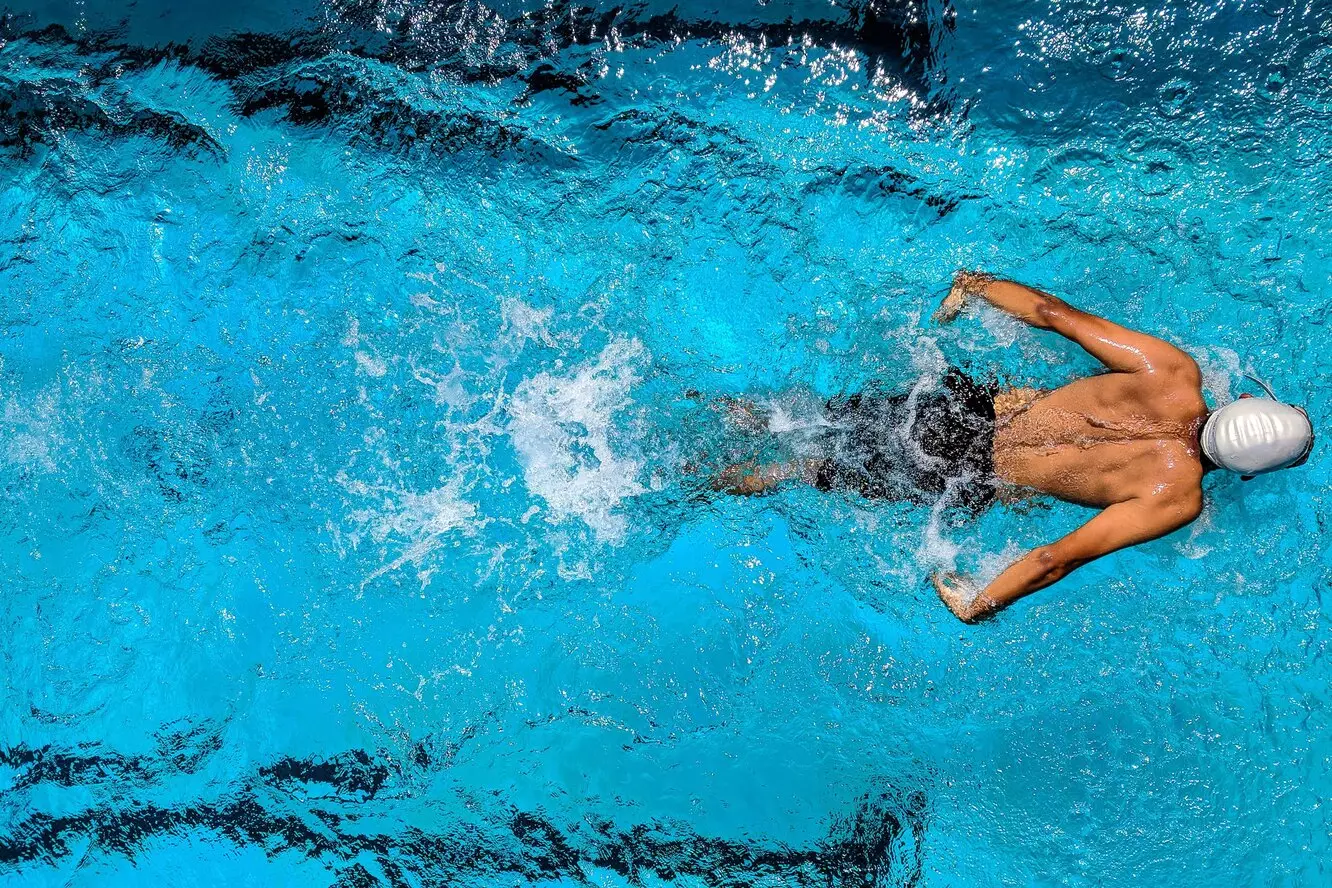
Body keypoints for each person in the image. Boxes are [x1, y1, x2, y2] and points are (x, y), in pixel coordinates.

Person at [715, 272, 1314, 623]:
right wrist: (980, 602)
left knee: (800, 419)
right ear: (1248, 473)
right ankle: (695, 478)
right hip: (963, 474)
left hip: (961, 407)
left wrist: (976, 287)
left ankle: (713, 406)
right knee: (801, 469)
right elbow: (1057, 558)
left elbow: (1055, 314)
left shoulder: (1172, 372)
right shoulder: (1176, 498)